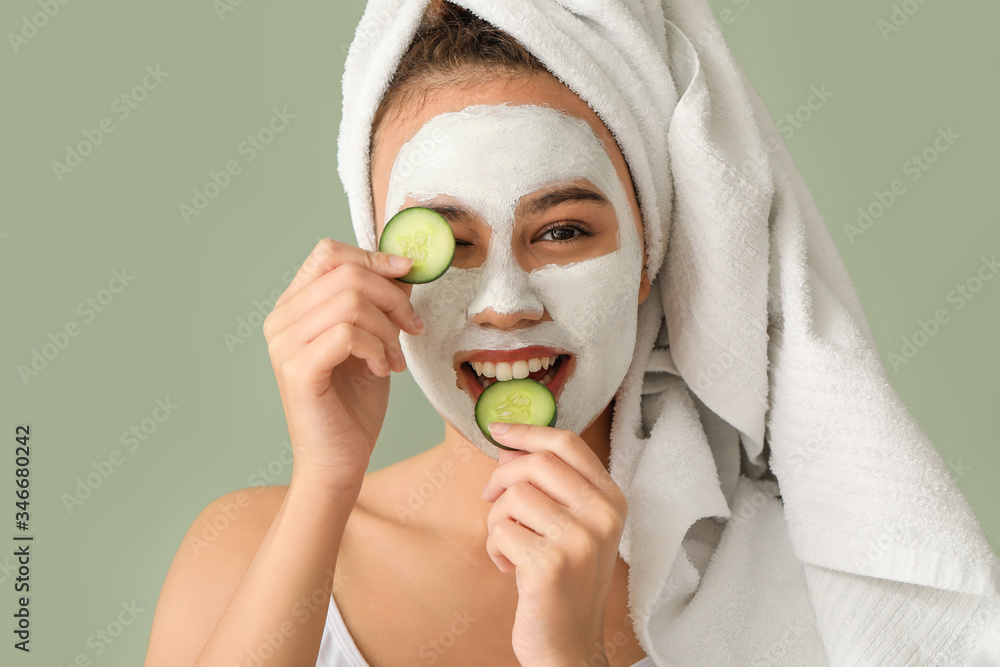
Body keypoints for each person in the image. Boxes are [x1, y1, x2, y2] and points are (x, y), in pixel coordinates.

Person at [144, 2, 657, 666]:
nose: (505, 306)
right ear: (381, 267)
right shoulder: (239, 550)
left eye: (560, 232)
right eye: (450, 241)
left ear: (649, 252)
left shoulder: (767, 574)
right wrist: (327, 478)